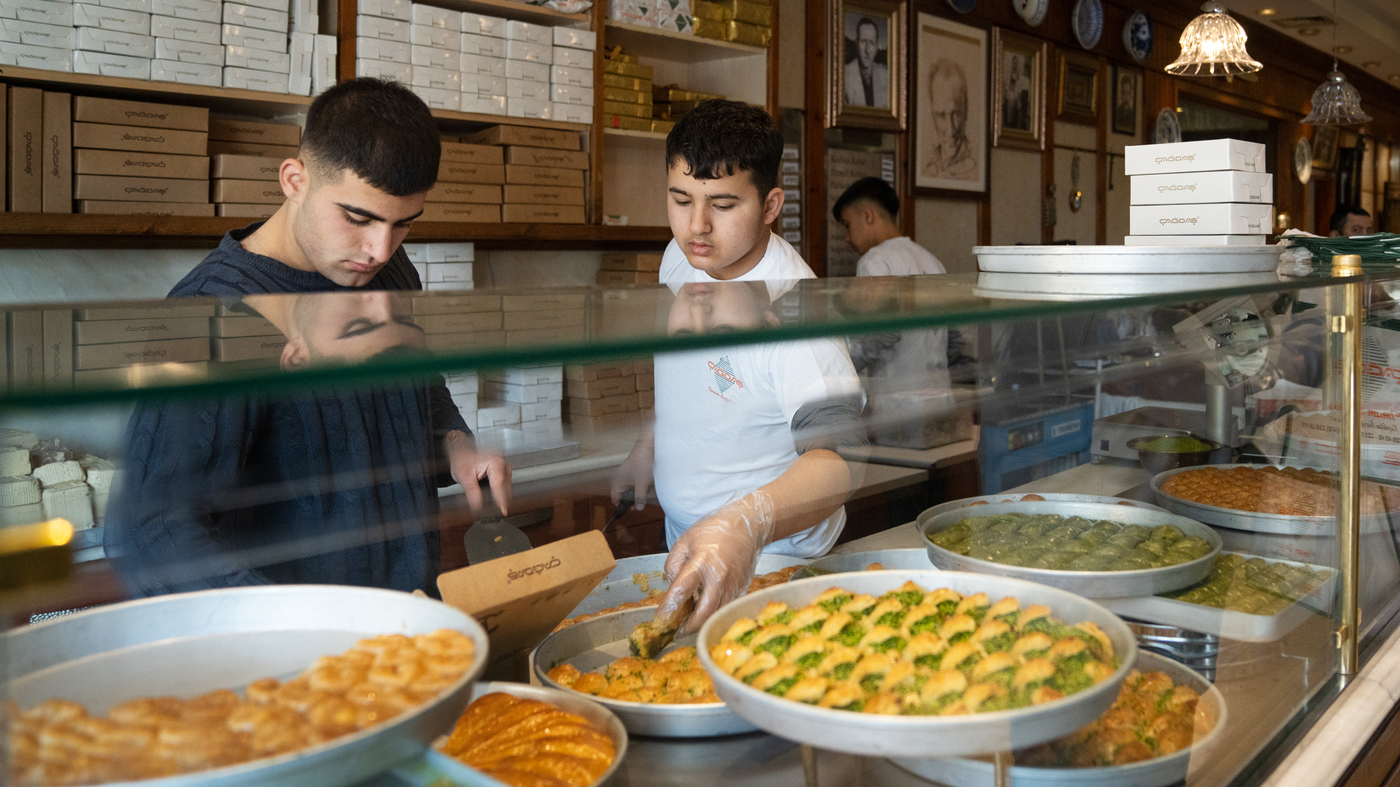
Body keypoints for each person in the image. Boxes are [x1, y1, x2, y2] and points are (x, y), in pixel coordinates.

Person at [106, 78, 510, 596]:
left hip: (406, 624)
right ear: (295, 180)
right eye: (357, 217)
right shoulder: (211, 314)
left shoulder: (388, 272)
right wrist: (294, 628)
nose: (380, 249)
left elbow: (416, 384)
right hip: (293, 652)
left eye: (404, 224)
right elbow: (153, 531)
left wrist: (456, 445)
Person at [618, 99, 866, 632]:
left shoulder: (796, 312)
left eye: (723, 206)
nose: (697, 225)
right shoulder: (683, 256)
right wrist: (648, 442)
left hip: (776, 561)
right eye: (680, 200)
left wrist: (744, 527)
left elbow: (836, 466)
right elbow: (689, 370)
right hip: (686, 540)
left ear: (771, 205)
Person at [832, 177, 957, 446]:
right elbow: (954, 337)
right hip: (940, 398)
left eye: (847, 225)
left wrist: (840, 367)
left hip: (899, 405)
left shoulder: (874, 261)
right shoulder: (931, 260)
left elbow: (885, 333)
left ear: (867, 215)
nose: (847, 238)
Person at [922, 59, 977, 181]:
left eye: (956, 113)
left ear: (965, 109)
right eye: (941, 115)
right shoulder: (926, 167)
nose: (951, 130)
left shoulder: (976, 162)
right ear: (932, 113)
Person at [844, 17, 889, 109]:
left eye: (871, 43)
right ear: (856, 44)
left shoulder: (886, 78)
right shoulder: (844, 76)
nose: (867, 50)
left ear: (876, 47)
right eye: (863, 41)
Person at [1003, 53, 1029, 131]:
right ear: (1012, 63)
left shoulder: (1019, 74)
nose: (1015, 65)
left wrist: (1018, 96)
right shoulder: (1009, 73)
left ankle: (1016, 127)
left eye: (1016, 63)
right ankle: (1009, 126)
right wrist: (1009, 91)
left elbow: (1019, 87)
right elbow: (1007, 86)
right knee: (1010, 111)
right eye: (1014, 63)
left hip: (1017, 96)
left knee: (1018, 111)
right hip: (1010, 95)